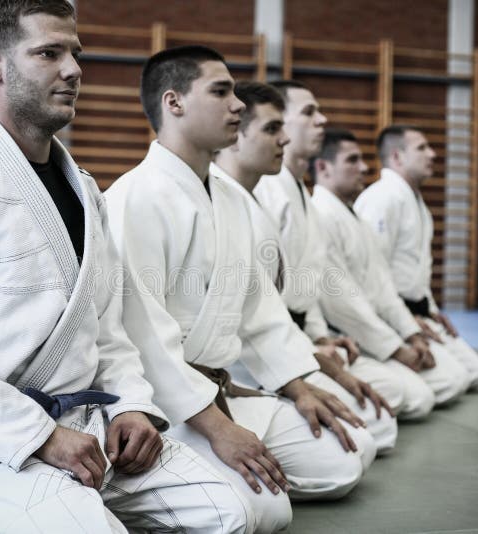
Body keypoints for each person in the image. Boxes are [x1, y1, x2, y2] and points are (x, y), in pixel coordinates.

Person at [0, 2, 248, 533]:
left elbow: (109, 330)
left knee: (233, 514)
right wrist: (41, 436)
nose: (73, 69)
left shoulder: (85, 190)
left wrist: (132, 408)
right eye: (49, 52)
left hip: (88, 427)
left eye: (75, 53)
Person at [105, 46, 373, 533]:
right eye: (221, 91)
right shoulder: (135, 197)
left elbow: (259, 307)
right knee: (261, 514)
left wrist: (297, 384)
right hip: (162, 405)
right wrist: (220, 429)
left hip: (218, 389)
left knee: (349, 454)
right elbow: (142, 336)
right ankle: (120, 494)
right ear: (174, 102)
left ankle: (214, 473)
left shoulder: (230, 198)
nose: (237, 106)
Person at [212, 81, 398, 453]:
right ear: (234, 134)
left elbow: (291, 294)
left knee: (374, 426)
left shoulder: (250, 199)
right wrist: (307, 364)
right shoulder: (233, 199)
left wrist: (316, 343)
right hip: (236, 370)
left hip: (280, 348)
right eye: (272, 128)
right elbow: (248, 320)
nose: (283, 139)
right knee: (364, 437)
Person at [252, 80, 408, 420]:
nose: (322, 120)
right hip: (267, 349)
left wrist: (319, 335)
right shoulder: (265, 192)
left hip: (301, 336)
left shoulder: (301, 196)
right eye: (309, 112)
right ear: (280, 122)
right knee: (379, 417)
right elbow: (261, 302)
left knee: (395, 401)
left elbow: (309, 287)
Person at [312, 128, 473, 417]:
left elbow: (384, 284)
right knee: (426, 393)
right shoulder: (323, 214)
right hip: (349, 335)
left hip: (381, 325)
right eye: (353, 160)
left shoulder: (353, 216)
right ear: (323, 167)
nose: (364, 167)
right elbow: (342, 304)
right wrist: (395, 346)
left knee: (455, 379)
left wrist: (410, 332)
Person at [354, 125, 478, 390]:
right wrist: (403, 320)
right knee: (455, 381)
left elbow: (416, 271)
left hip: (417, 311)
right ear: (397, 156)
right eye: (422, 148)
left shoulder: (415, 202)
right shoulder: (381, 198)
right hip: (388, 315)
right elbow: (371, 273)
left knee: (475, 372)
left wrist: (431, 310)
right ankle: (387, 368)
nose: (433, 154)